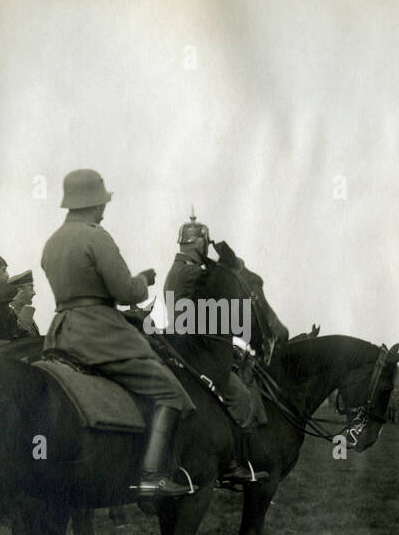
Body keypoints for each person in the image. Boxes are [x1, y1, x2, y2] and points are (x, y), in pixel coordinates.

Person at [40, 169, 195, 498]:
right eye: (102, 203)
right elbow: (127, 292)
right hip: (99, 334)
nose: (104, 209)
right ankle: (153, 474)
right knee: (170, 391)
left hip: (61, 332)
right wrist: (144, 279)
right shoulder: (96, 236)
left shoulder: (52, 242)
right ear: (94, 203)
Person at [163, 213, 268, 485]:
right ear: (198, 244)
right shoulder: (192, 273)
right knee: (242, 398)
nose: (206, 251)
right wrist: (232, 266)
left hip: (186, 348)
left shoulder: (179, 270)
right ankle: (234, 464)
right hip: (197, 353)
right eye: (205, 246)